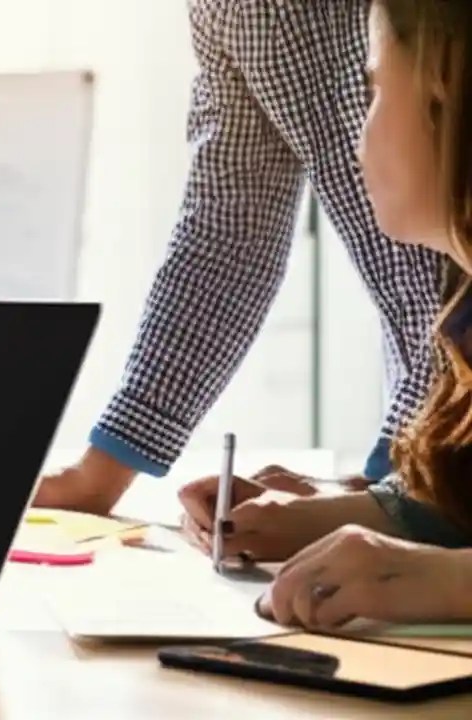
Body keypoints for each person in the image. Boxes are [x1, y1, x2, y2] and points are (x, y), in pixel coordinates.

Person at [32, 0, 445, 514]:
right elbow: (227, 226)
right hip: (434, 445)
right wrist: (99, 474)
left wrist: (397, 496)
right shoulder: (231, 9)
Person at [181, 0, 472, 630]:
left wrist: (439, 580)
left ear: (444, 92)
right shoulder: (461, 324)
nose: (355, 140)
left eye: (374, 91)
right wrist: (325, 518)